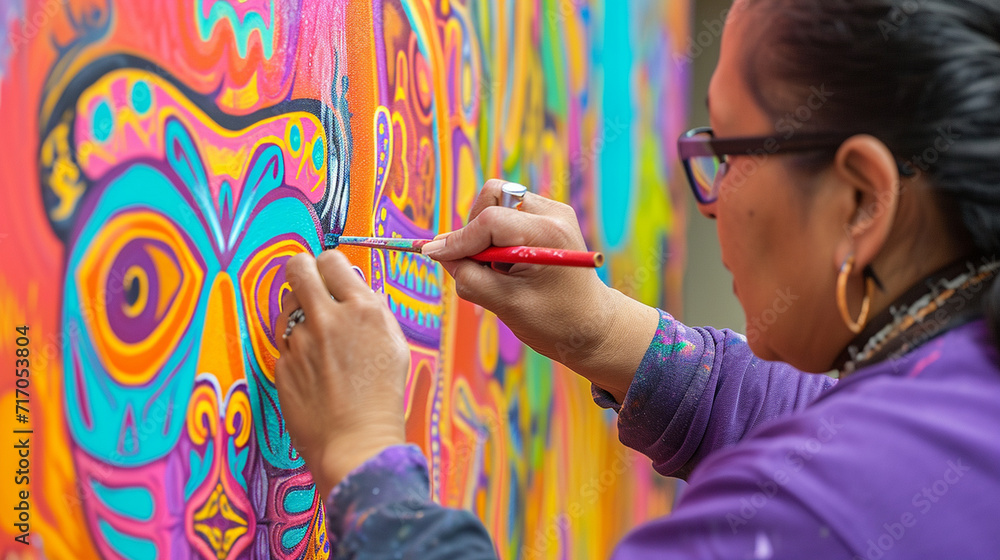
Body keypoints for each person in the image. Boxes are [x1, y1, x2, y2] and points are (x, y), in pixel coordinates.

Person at [273, 0, 1000, 557]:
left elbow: (831, 473)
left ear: (861, 199)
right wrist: (602, 328)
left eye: (728, 150)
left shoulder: (812, 513)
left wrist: (364, 460)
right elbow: (826, 417)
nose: (711, 202)